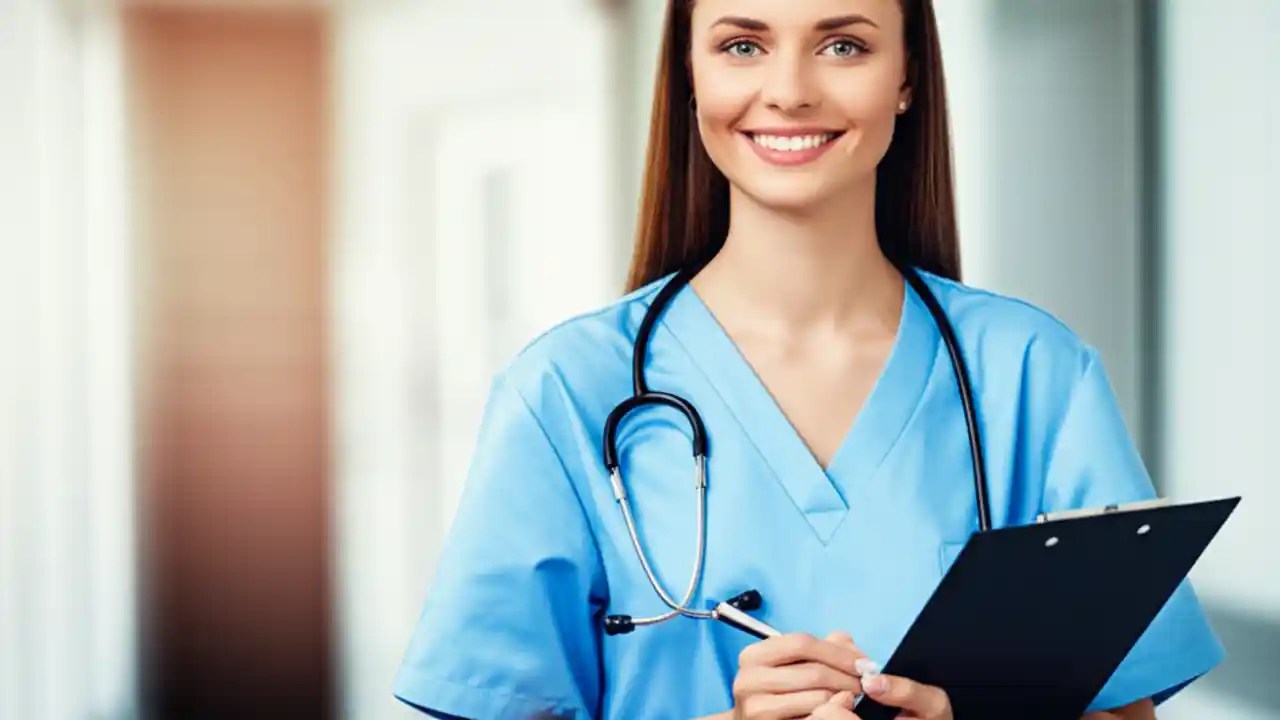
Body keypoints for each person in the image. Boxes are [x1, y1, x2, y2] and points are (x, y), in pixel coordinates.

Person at [392, 0, 1223, 718]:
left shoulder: (1032, 371)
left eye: (843, 45)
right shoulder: (568, 388)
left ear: (907, 78)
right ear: (689, 75)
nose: (789, 90)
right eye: (741, 45)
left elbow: (1124, 709)